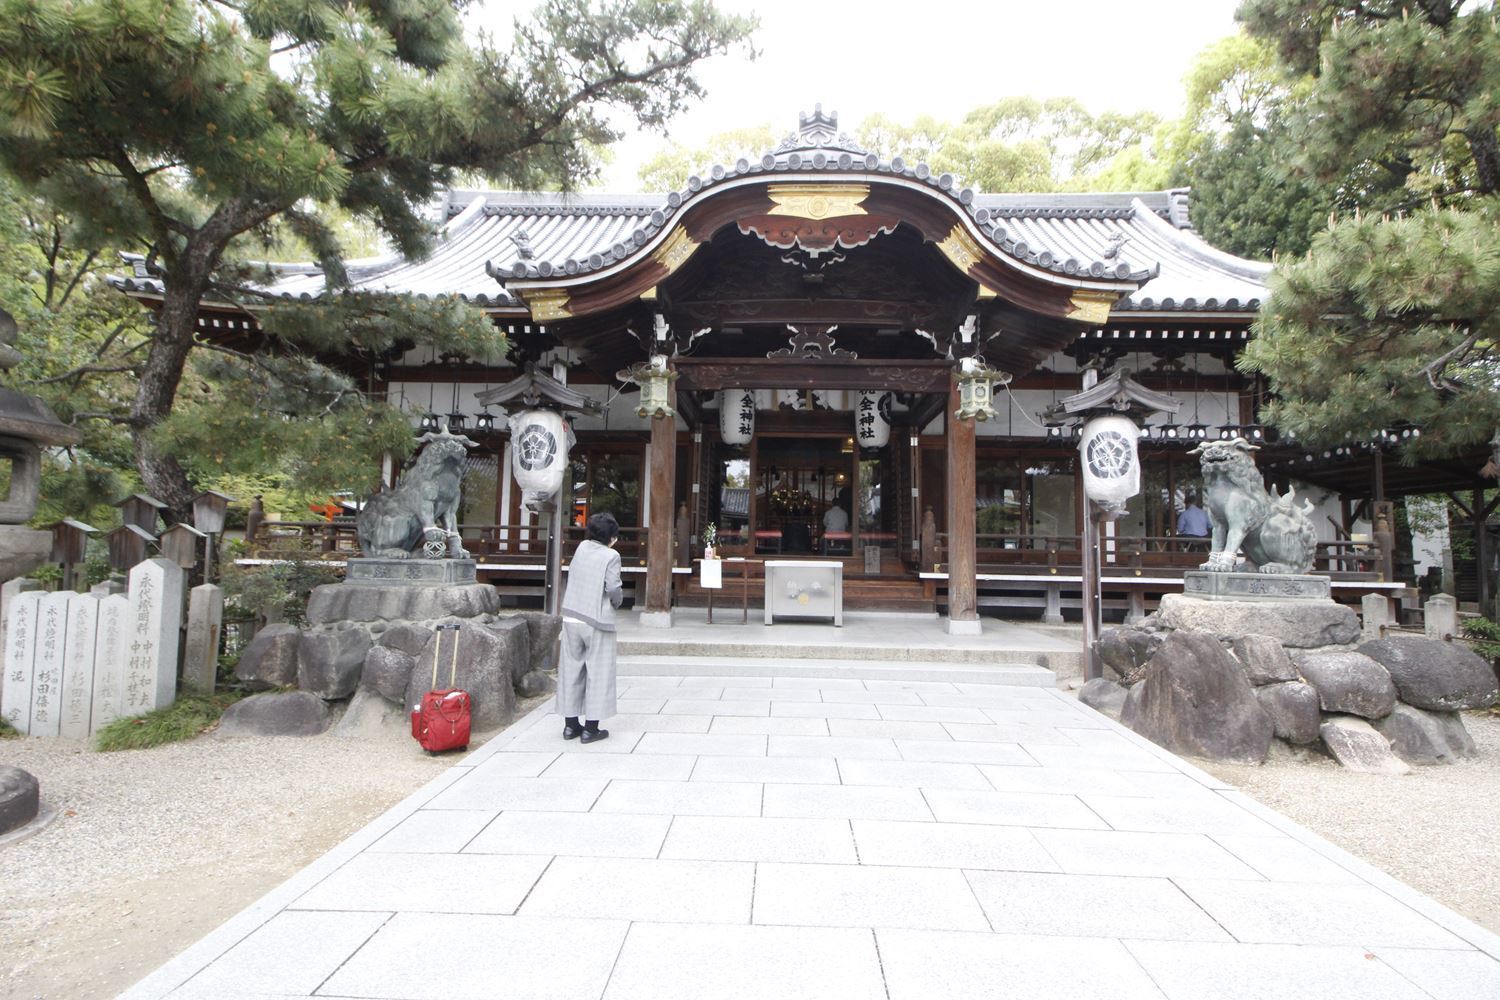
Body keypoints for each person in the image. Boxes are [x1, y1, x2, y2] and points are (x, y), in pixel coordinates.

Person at [558, 511, 623, 743]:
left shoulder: (582, 547)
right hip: (596, 619)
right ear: (612, 537)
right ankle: (590, 728)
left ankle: (570, 726)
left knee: (571, 669)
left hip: (572, 615)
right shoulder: (611, 556)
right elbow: (613, 587)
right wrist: (617, 603)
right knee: (598, 671)